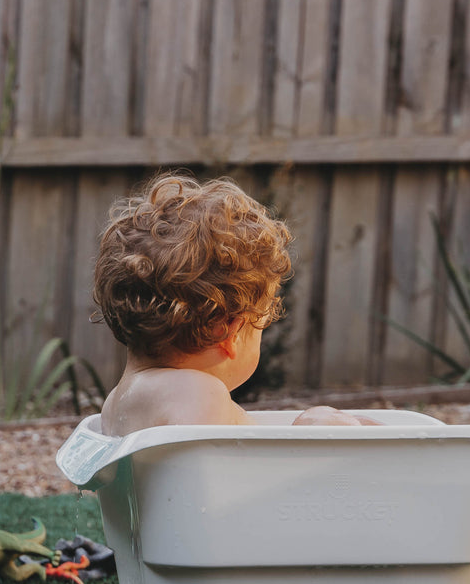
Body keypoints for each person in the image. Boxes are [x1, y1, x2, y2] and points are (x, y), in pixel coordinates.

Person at [92, 173, 377, 436]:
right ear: (227, 332)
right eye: (260, 326)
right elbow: (219, 468)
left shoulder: (117, 400)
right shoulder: (198, 394)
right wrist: (312, 435)